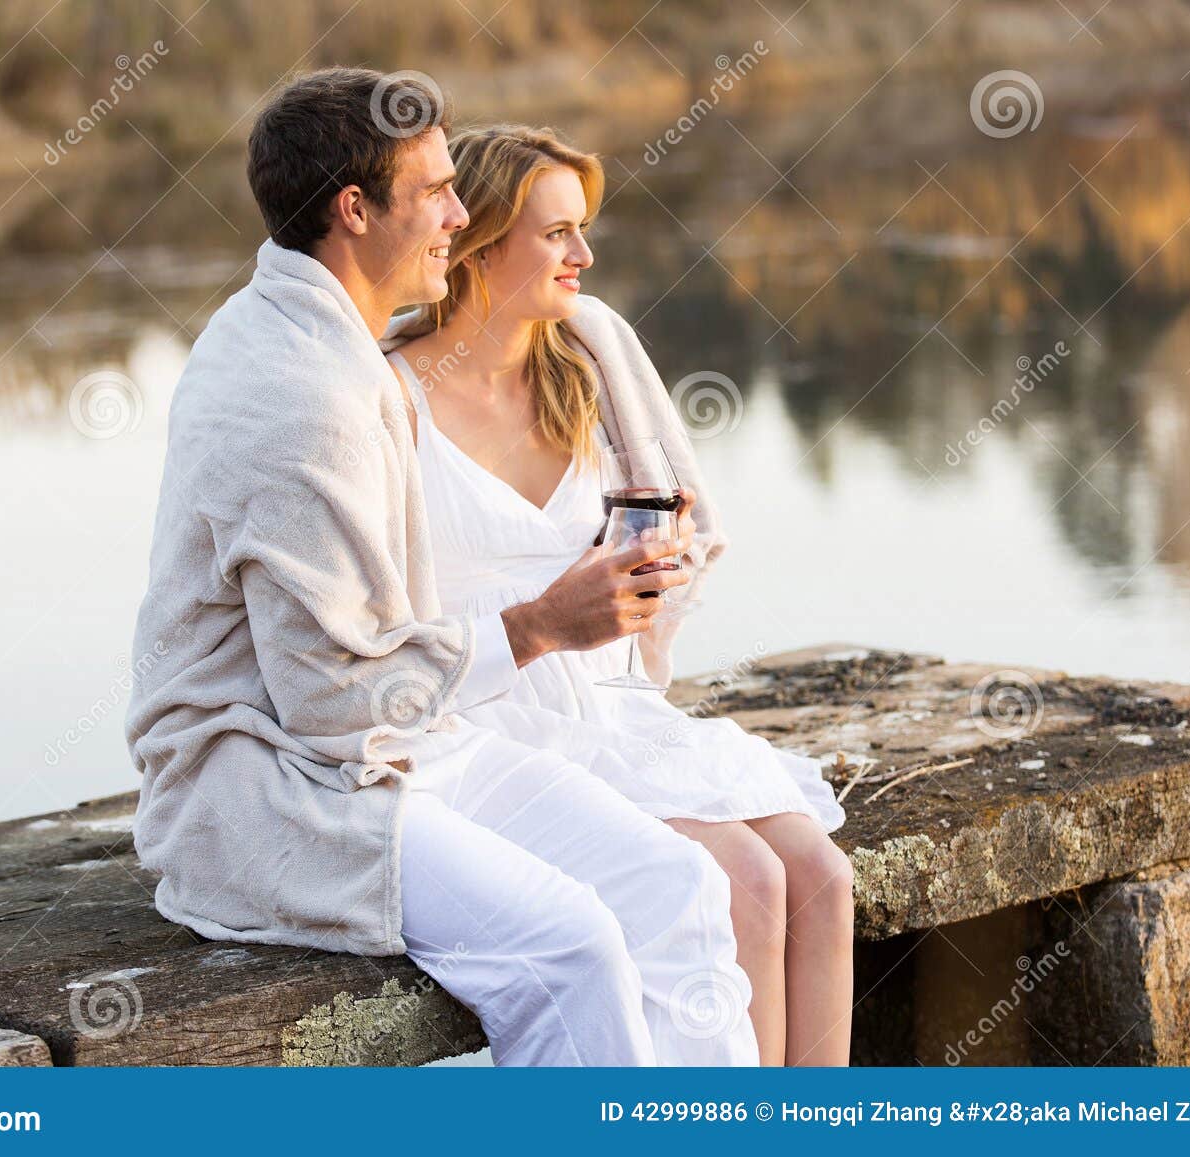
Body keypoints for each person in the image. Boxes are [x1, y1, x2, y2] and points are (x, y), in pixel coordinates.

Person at [124, 68, 759, 1066]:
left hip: (407, 743)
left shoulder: (312, 332)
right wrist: (541, 624)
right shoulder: (301, 395)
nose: (460, 220)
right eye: (434, 193)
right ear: (352, 211)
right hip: (275, 786)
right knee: (571, 947)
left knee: (679, 885)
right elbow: (333, 704)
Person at [383, 126, 854, 1066]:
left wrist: (657, 558)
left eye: (583, 230)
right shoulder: (391, 400)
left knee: (822, 878)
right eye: (556, 233)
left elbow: (656, 546)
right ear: (478, 244)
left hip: (613, 706)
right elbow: (384, 628)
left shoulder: (587, 368)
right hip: (493, 730)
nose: (583, 257)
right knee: (747, 883)